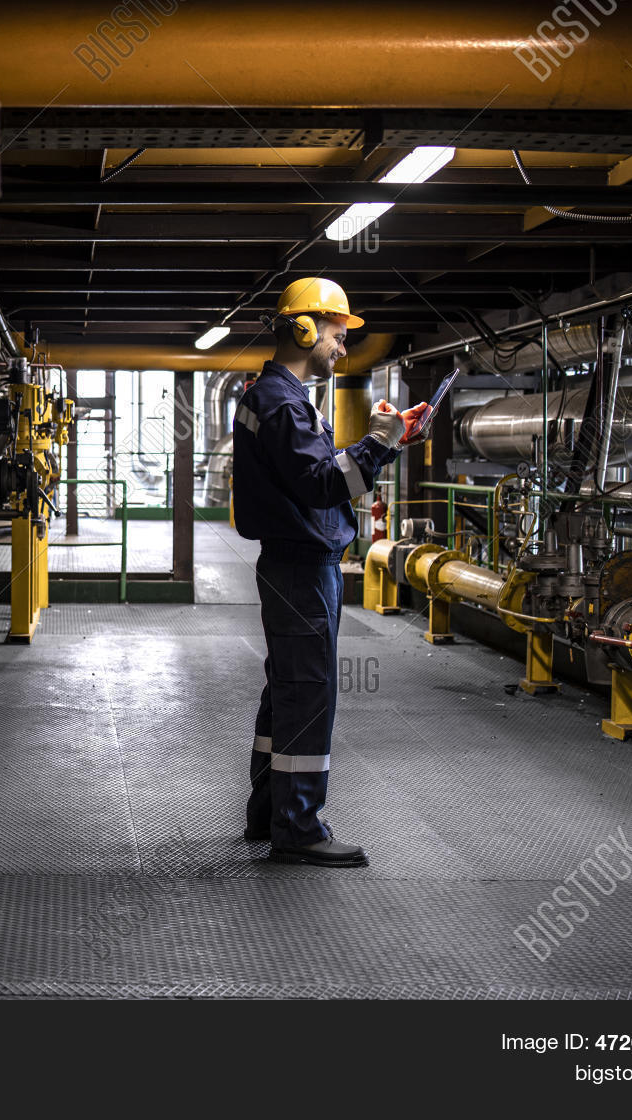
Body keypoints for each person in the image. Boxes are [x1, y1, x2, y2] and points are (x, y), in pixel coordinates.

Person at [232, 277, 428, 867]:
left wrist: (385, 443)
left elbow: (317, 474)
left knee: (288, 690)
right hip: (302, 569)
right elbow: (320, 485)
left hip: (294, 565)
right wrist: (377, 442)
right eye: (338, 335)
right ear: (305, 329)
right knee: (309, 695)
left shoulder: (273, 397)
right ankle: (298, 828)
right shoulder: (283, 402)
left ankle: (268, 812)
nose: (342, 349)